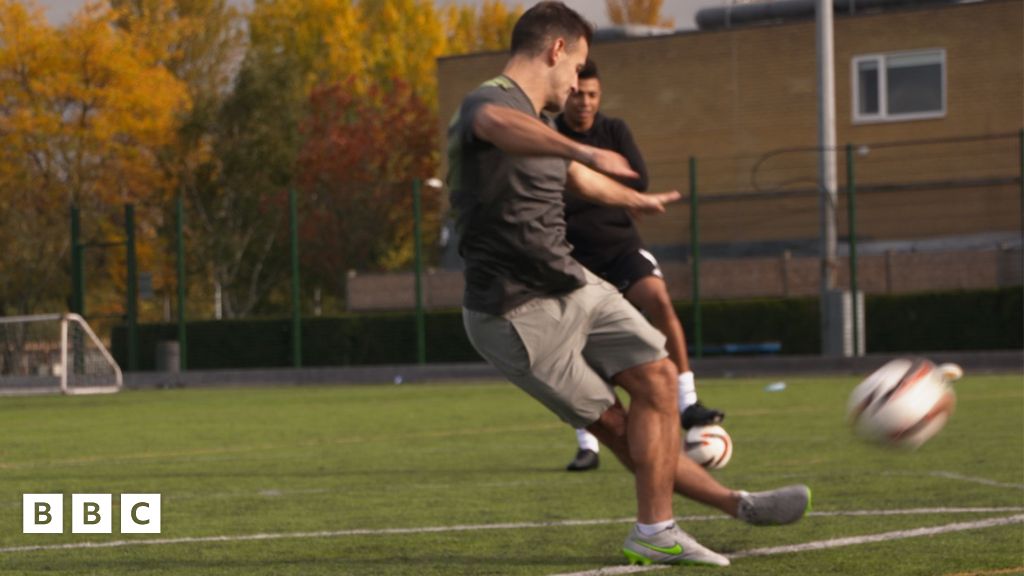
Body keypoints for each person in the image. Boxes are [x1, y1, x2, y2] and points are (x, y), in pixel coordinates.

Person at [448, 2, 810, 567]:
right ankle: (719, 510)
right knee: (617, 427)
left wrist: (636, 199)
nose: (577, 84)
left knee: (660, 379)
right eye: (578, 66)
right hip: (516, 313)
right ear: (556, 49)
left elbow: (577, 178)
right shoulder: (490, 101)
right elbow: (494, 128)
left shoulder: (541, 128)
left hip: (572, 283)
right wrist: (581, 146)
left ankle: (679, 522)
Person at [557, 59, 724, 473]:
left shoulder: (615, 131)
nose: (585, 102)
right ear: (566, 94)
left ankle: (688, 403)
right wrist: (599, 185)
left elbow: (638, 182)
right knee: (580, 348)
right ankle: (587, 444)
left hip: (621, 247)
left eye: (593, 94)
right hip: (574, 257)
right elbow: (553, 193)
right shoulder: (553, 136)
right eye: (578, 94)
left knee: (659, 300)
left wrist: (589, 187)